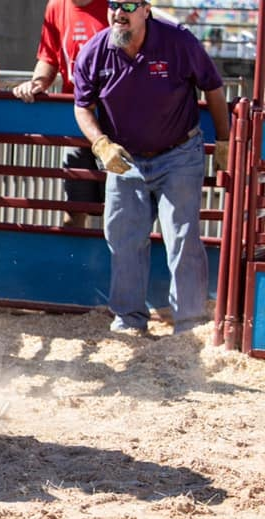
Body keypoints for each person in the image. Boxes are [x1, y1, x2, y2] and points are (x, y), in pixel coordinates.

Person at [72, 1, 230, 335]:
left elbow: (213, 87)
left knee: (182, 236)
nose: (119, 12)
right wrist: (100, 142)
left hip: (179, 152)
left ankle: (188, 324)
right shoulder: (94, 51)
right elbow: (82, 106)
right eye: (114, 4)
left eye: (128, 5)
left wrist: (225, 141)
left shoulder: (178, 41)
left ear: (146, 10)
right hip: (124, 157)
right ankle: (129, 319)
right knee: (124, 238)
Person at [12, 0, 109, 229]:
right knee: (75, 207)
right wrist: (37, 83)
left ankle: (115, 264)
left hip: (117, 120)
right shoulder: (56, 6)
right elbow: (49, 57)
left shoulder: (116, 6)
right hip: (77, 119)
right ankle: (74, 263)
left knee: (121, 209)